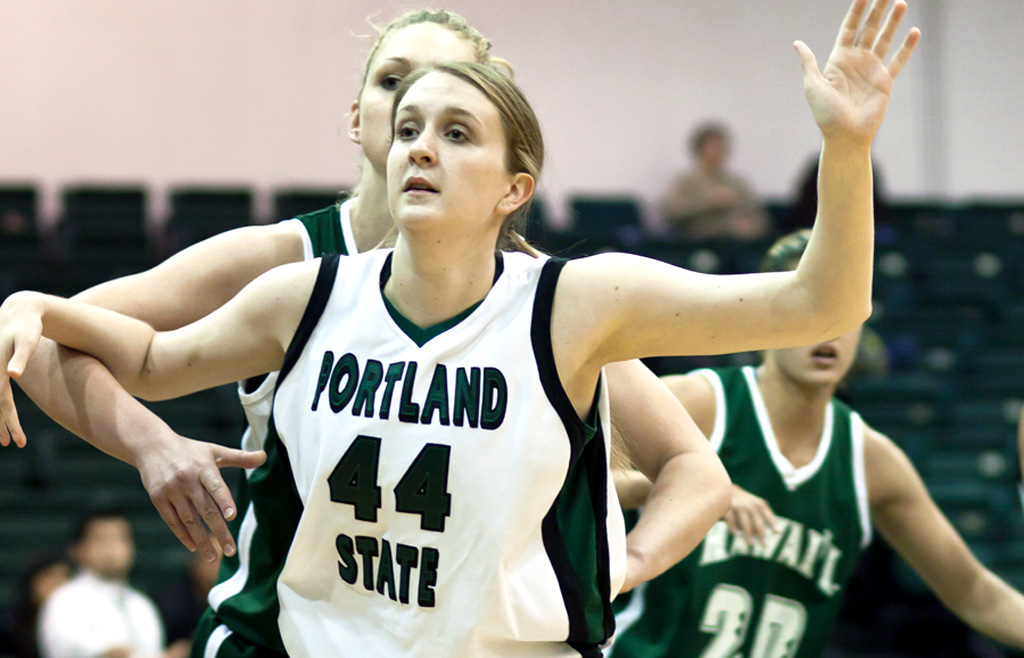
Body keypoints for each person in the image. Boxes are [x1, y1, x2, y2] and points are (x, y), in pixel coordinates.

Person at [1, 0, 917, 652]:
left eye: (456, 119)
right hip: (294, 627)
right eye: (402, 105)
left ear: (517, 179)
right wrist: (139, 429)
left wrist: (847, 148)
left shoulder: (565, 305)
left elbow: (806, 318)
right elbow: (107, 350)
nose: (422, 140)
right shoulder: (297, 281)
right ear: (362, 118)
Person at [610, 230, 1024, 657]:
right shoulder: (700, 401)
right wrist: (688, 486)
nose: (829, 329)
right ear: (766, 314)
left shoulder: (869, 457)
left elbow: (974, 590)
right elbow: (574, 478)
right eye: (814, 307)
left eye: (843, 312)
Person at [36, 509, 191, 658]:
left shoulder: (142, 604)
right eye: (100, 539)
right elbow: (70, 648)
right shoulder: (65, 599)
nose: (111, 548)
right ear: (77, 549)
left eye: (120, 538)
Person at [662, 122, 770, 241]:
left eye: (722, 148)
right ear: (699, 150)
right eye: (713, 147)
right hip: (699, 242)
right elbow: (674, 212)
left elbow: (758, 215)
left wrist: (751, 227)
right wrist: (711, 202)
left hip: (738, 242)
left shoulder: (737, 182)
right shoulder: (685, 181)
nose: (719, 152)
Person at [1, 555, 72, 658]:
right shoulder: (9, 624)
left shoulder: (78, 621)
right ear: (32, 581)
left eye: (64, 578)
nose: (57, 584)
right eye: (50, 576)